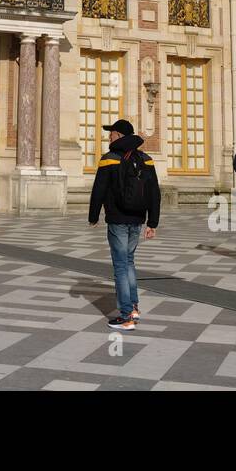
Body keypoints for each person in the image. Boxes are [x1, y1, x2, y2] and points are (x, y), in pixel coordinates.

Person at [89, 119, 160, 331]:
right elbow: (154, 193)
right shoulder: (146, 159)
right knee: (128, 262)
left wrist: (93, 216)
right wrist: (152, 222)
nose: (109, 136)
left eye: (111, 133)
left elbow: (99, 189)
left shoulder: (109, 159)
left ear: (119, 135)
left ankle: (126, 315)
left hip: (117, 219)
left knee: (120, 265)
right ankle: (135, 306)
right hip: (137, 219)